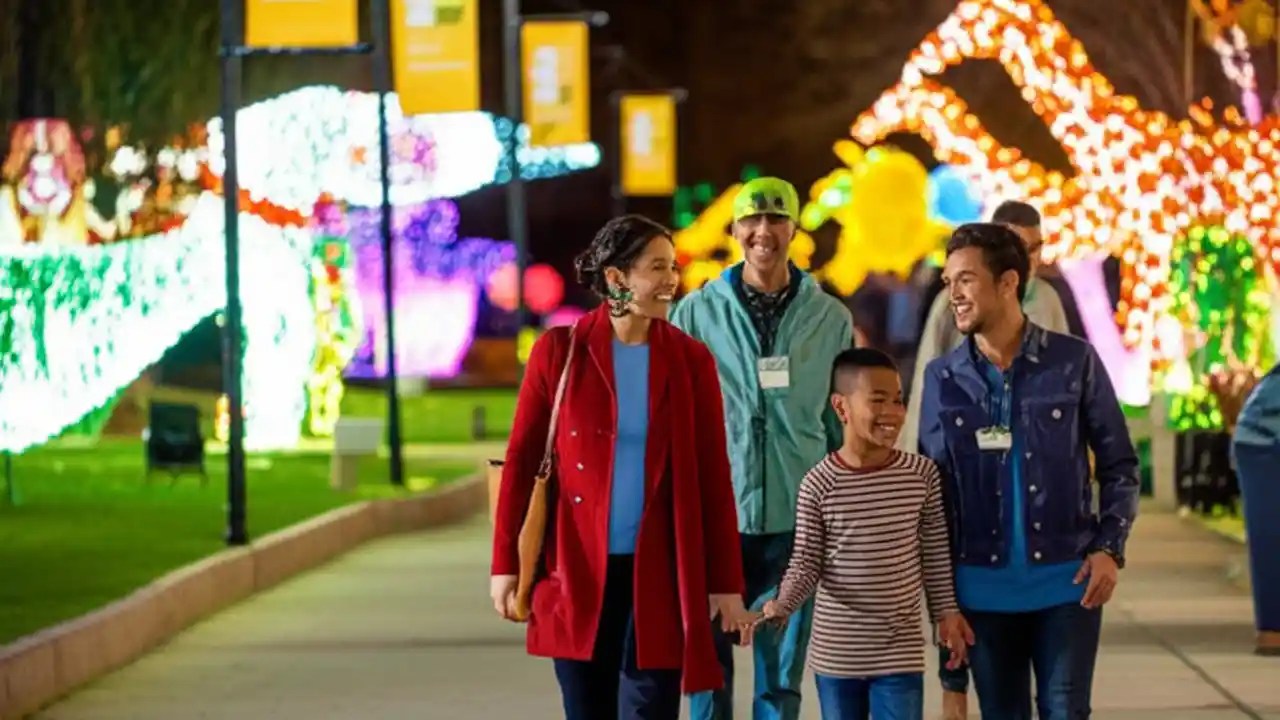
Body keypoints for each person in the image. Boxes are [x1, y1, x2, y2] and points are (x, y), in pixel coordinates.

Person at [490, 215, 753, 719]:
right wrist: (505, 564)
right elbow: (523, 462)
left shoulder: (691, 361)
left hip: (659, 578)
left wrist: (725, 582)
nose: (671, 280)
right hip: (575, 573)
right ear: (616, 279)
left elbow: (714, 478)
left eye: (672, 267)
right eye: (657, 268)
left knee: (651, 710)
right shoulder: (559, 352)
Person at [917, 222, 1140, 719]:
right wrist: (944, 616)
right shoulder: (943, 378)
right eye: (948, 281)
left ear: (1008, 282)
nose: (953, 293)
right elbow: (933, 500)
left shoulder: (1073, 362)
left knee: (1065, 711)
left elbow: (1120, 464)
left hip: (1067, 584)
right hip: (981, 594)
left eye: (966, 279)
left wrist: (1109, 547)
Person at [670, 176, 854, 720]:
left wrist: (840, 506)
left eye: (777, 219)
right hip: (716, 516)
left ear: (794, 229)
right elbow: (676, 420)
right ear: (735, 229)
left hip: (798, 517)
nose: (764, 232)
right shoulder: (697, 314)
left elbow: (838, 420)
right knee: (708, 676)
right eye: (753, 219)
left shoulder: (830, 318)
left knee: (781, 678)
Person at [749, 348, 974, 720]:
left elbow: (934, 554)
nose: (893, 412)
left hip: (899, 654)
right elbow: (806, 562)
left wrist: (946, 612)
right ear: (841, 408)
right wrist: (783, 604)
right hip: (837, 658)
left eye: (898, 401)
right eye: (878, 400)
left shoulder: (921, 476)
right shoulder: (817, 484)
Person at [899, 200, 1069, 458]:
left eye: (1035, 249)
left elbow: (1064, 383)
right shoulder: (953, 300)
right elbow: (927, 379)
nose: (1029, 260)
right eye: (1018, 249)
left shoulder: (1047, 301)